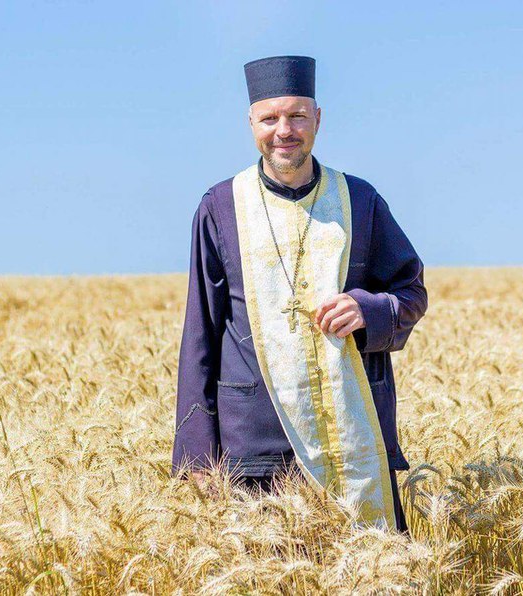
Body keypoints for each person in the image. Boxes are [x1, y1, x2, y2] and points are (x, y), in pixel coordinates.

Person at [171, 55, 428, 534]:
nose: (284, 130)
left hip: (354, 441)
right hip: (254, 449)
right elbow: (200, 333)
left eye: (297, 116)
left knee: (372, 567)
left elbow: (410, 291)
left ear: (318, 119)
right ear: (252, 123)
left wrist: (368, 309)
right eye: (270, 118)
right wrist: (197, 454)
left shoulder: (360, 200)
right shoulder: (220, 207)